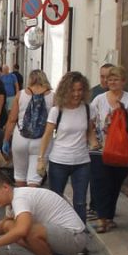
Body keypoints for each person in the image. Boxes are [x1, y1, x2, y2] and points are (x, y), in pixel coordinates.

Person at [88, 65, 128, 233]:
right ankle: (102, 220)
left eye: (115, 79)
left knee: (114, 184)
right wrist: (92, 140)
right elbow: (90, 121)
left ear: (123, 81)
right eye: (109, 79)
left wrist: (123, 111)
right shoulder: (99, 99)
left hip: (122, 150)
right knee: (100, 183)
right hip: (100, 149)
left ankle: (108, 217)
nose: (111, 82)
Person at [37, 71, 94, 226]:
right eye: (73, 90)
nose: (76, 94)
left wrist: (95, 143)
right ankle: (57, 233)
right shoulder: (57, 111)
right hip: (59, 161)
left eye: (80, 90)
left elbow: (90, 132)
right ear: (65, 90)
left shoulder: (88, 109)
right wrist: (41, 159)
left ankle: (79, 236)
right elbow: (47, 136)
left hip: (82, 161)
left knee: (81, 202)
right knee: (56, 199)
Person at [6, 69, 55, 187]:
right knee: (35, 178)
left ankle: (20, 203)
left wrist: (6, 140)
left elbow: (12, 119)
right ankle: (32, 201)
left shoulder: (21, 94)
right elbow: (56, 121)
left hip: (20, 138)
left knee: (20, 175)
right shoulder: (53, 96)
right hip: (42, 141)